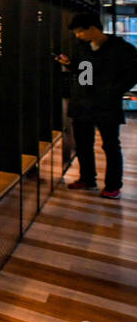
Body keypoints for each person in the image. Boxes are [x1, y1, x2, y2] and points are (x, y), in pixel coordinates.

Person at [56, 12, 137, 198]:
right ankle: (87, 178)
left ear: (92, 29)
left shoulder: (121, 49)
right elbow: (85, 74)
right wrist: (70, 64)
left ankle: (113, 185)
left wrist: (115, 90)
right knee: (83, 144)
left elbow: (132, 74)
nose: (78, 36)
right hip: (83, 102)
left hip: (107, 104)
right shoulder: (81, 47)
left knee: (110, 145)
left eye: (80, 32)